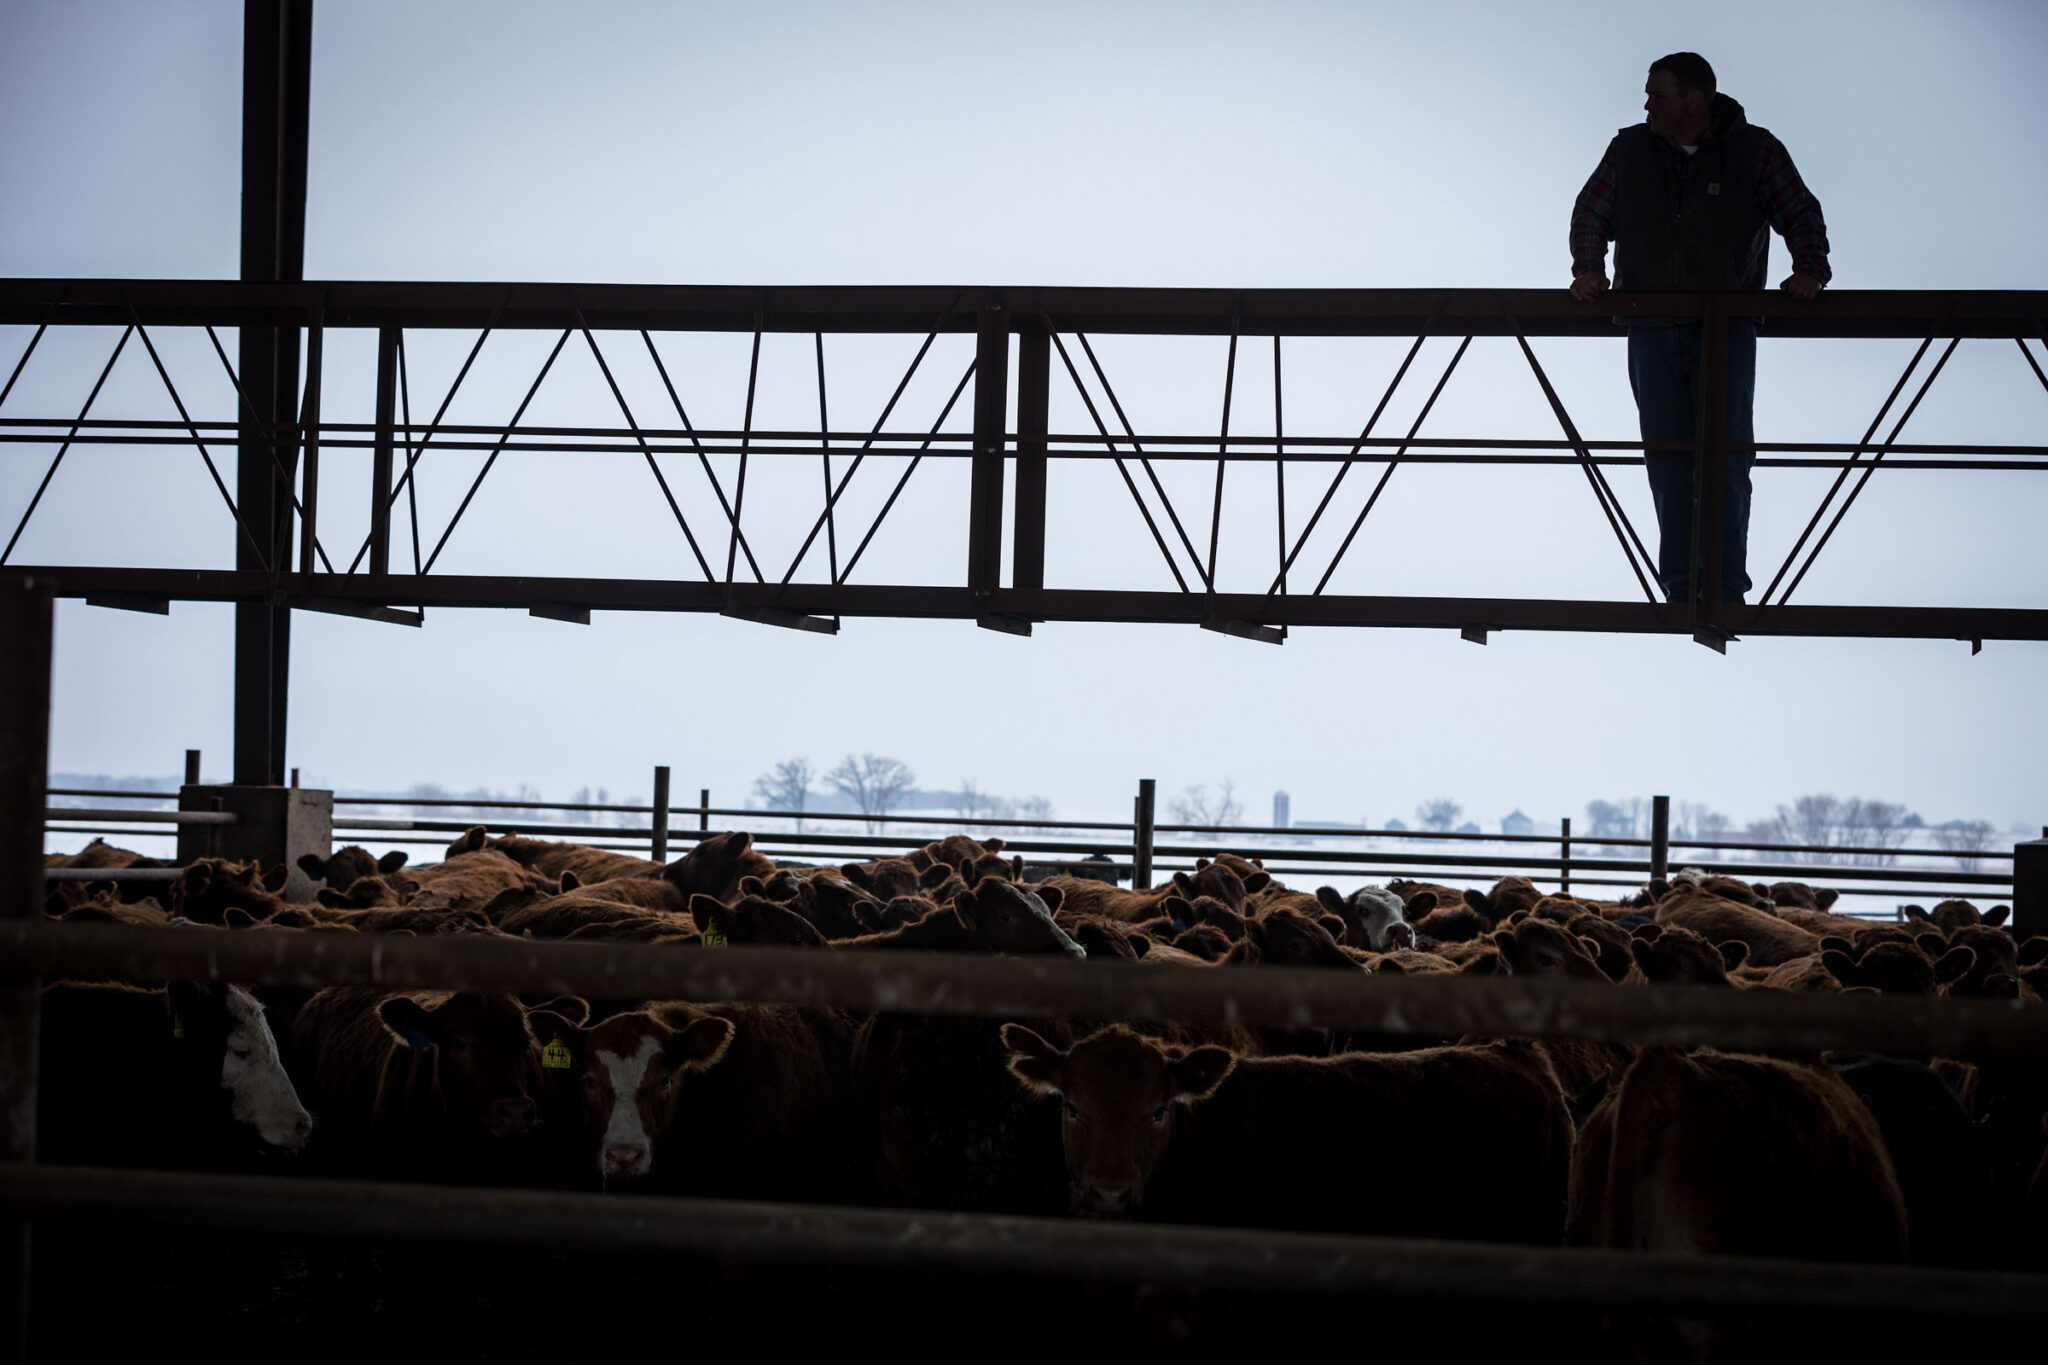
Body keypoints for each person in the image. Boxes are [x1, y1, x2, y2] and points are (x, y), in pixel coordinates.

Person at [1568, 52, 1831, 606]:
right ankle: (1685, 587)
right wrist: (1589, 269)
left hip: (1724, 324)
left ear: (1694, 98)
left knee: (1726, 457)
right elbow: (1591, 211)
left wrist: (1808, 271)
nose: (1646, 105)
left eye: (1656, 94)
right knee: (1668, 457)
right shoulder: (1631, 149)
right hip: (1652, 322)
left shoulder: (1755, 150)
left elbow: (1801, 213)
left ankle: (1722, 587)